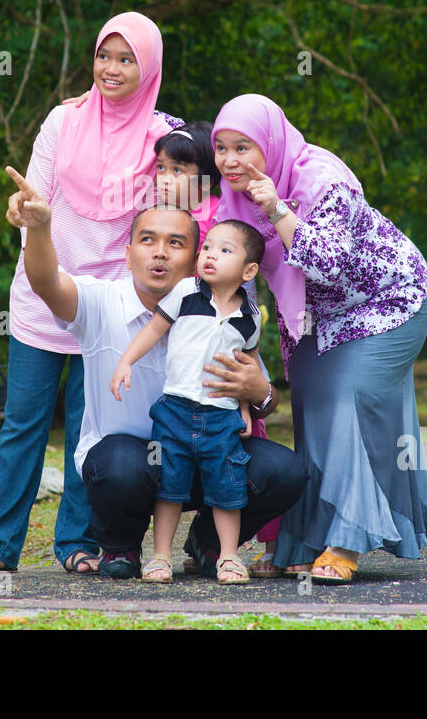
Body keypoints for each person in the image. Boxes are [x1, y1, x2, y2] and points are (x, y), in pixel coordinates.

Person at [0, 11, 176, 577]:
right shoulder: (62, 121)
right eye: (104, 56)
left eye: (127, 59)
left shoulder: (162, 135)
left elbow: (187, 205)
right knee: (23, 421)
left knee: (88, 428)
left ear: (148, 69)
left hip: (109, 306)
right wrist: (23, 211)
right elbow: (33, 197)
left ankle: (78, 542)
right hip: (44, 292)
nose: (112, 69)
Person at [3, 164, 306, 580]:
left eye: (176, 243)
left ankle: (208, 543)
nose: (160, 252)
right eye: (147, 240)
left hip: (205, 459)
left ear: (196, 261)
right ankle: (121, 545)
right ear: (128, 254)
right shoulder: (100, 302)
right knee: (123, 461)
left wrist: (261, 392)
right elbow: (46, 283)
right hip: (131, 464)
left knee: (284, 471)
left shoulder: (226, 312)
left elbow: (261, 401)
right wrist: (39, 228)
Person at [212, 93, 427, 584]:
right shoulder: (231, 200)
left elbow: (327, 265)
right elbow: (238, 280)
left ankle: (346, 541)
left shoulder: (322, 179)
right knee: (311, 412)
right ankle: (301, 542)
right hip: (315, 317)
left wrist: (275, 209)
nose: (230, 161)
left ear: (269, 143)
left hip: (390, 300)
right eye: (222, 148)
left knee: (346, 400)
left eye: (243, 147)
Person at [151, 121, 283, 572]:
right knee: (174, 459)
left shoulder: (216, 219)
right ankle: (170, 548)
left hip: (225, 343)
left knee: (244, 442)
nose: (165, 178)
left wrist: (254, 394)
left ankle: (261, 545)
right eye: (160, 168)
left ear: (206, 176)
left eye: (178, 169)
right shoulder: (161, 218)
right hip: (179, 367)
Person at [109, 220, 267, 584]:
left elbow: (248, 366)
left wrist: (244, 410)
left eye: (225, 251)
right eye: (207, 247)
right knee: (170, 485)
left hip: (222, 418)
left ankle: (228, 557)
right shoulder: (185, 293)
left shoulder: (250, 317)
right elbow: (153, 329)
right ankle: (161, 556)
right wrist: (125, 361)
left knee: (228, 487)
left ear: (249, 270)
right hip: (175, 410)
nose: (210, 255)